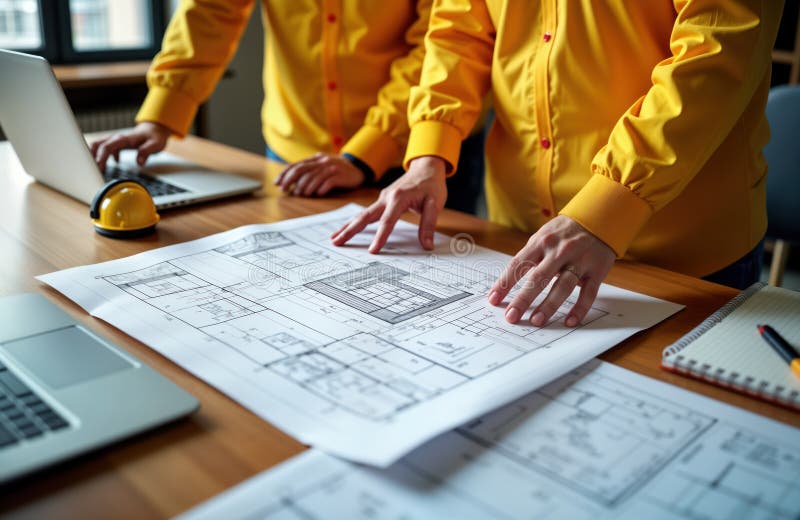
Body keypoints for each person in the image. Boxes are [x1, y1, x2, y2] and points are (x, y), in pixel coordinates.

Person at [332, 1, 782, 327]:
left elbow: (713, 61)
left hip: (678, 255)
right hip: (522, 235)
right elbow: (459, 31)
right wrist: (431, 148)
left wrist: (607, 208)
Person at [91, 0, 484, 213]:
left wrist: (365, 153)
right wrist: (159, 118)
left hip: (416, 154)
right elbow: (210, 12)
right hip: (295, 153)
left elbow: (438, 48)